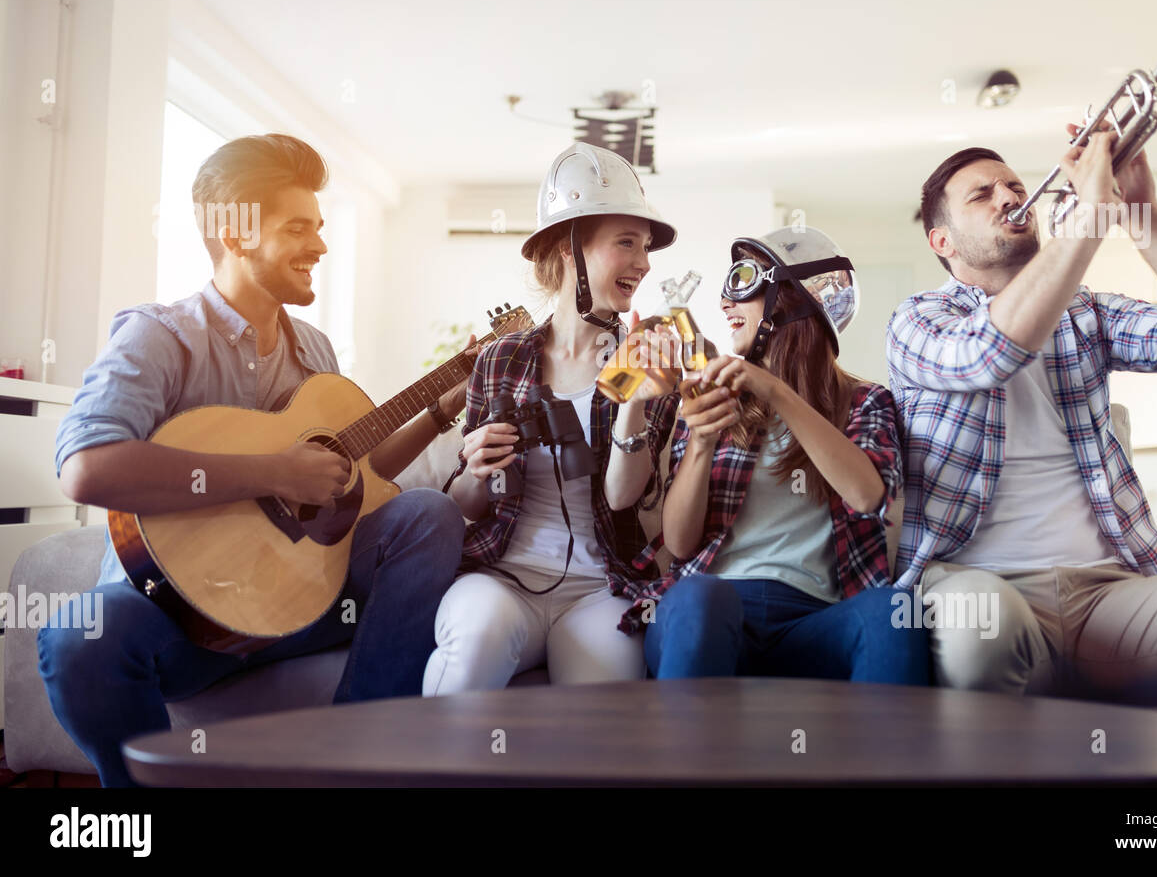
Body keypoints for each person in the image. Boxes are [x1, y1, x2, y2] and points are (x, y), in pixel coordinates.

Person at [39, 134, 469, 786]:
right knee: (81, 633)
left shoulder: (315, 351)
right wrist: (272, 472)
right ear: (236, 232)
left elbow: (368, 470)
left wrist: (444, 404)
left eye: (320, 227)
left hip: (300, 607)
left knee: (429, 513)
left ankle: (358, 764)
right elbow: (86, 468)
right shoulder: (158, 336)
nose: (321, 246)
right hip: (178, 620)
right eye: (299, 228)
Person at [886, 127, 1157, 728]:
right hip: (979, 584)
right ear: (941, 240)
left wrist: (1143, 214)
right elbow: (990, 354)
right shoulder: (919, 319)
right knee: (986, 627)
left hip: (1108, 594)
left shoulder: (1086, 312)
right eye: (982, 195)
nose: (1008, 196)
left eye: (1014, 185)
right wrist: (1088, 223)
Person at [423, 143, 680, 694]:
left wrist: (634, 400)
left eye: (646, 247)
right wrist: (475, 466)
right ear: (571, 249)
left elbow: (620, 498)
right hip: (502, 577)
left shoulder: (642, 357)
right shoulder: (502, 357)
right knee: (473, 644)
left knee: (598, 713)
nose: (645, 262)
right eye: (627, 243)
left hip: (598, 586)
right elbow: (470, 503)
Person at [620, 227, 929, 685]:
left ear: (795, 298)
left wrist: (776, 390)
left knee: (892, 613)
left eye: (740, 281)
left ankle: (878, 757)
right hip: (715, 611)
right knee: (699, 597)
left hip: (816, 620)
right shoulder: (711, 395)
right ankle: (684, 756)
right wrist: (703, 444)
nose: (725, 303)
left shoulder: (865, 402)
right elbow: (681, 544)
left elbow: (866, 495)